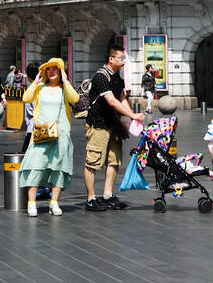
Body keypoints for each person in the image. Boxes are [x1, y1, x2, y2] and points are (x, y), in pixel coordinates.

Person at [83, 41, 140, 212]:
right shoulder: (101, 76)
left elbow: (122, 99)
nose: (124, 61)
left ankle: (108, 195)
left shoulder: (118, 78)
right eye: (121, 58)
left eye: (125, 58)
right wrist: (133, 115)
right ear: (111, 59)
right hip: (98, 124)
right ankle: (91, 199)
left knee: (114, 160)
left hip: (113, 124)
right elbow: (112, 101)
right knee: (93, 161)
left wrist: (132, 118)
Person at [20, 58, 81, 215]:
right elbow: (26, 98)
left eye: (55, 68)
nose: (51, 71)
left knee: (59, 168)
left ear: (61, 71)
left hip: (61, 134)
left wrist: (66, 81)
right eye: (49, 69)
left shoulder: (64, 89)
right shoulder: (40, 88)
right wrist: (35, 83)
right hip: (42, 133)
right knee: (36, 166)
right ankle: (31, 203)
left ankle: (54, 202)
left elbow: (75, 99)